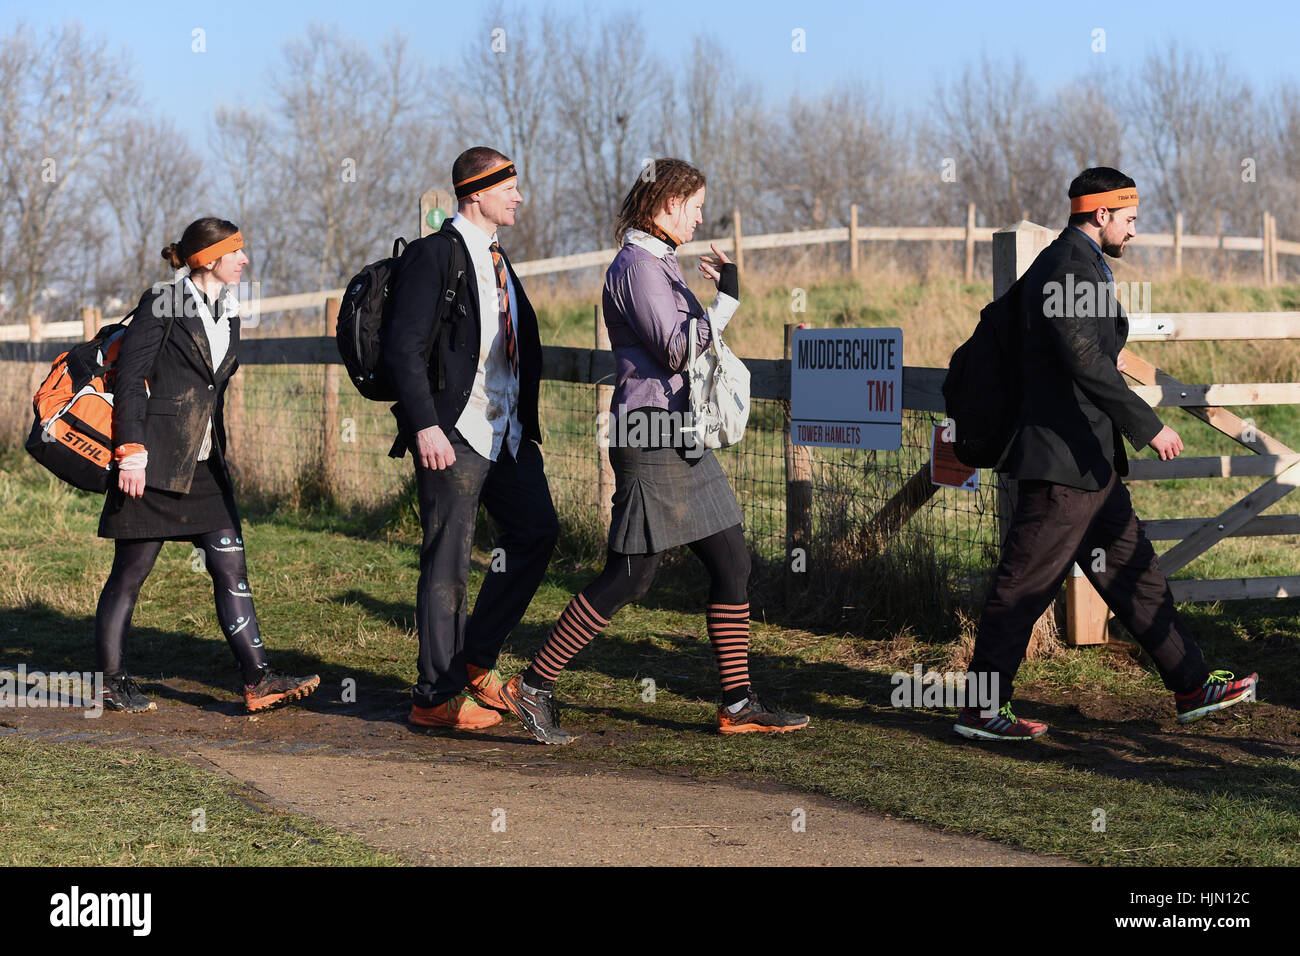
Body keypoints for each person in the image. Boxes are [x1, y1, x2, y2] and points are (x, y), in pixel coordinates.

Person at [498, 158, 809, 745]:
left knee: (732, 562)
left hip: (681, 431)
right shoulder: (637, 268)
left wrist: (718, 301)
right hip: (648, 433)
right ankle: (533, 684)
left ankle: (738, 704)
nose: (698, 218)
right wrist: (725, 305)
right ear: (666, 204)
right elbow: (673, 350)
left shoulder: (660, 264)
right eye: (693, 206)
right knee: (632, 575)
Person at [956, 167, 1258, 741]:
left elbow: (1080, 346)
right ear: (1102, 215)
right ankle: (980, 708)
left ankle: (1193, 685)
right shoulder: (1066, 264)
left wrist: (1109, 356)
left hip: (1089, 465)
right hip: (1061, 465)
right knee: (1023, 587)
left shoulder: (1077, 263)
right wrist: (1148, 425)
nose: (1135, 231)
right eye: (1131, 219)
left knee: (1135, 575)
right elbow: (1082, 361)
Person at [96, 218, 320, 713]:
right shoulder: (161, 302)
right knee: (132, 572)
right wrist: (130, 451)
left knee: (229, 563)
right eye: (236, 252)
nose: (244, 260)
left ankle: (258, 678)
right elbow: (131, 380)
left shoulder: (229, 312)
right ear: (209, 259)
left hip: (204, 465)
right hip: (151, 461)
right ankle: (112, 682)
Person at [382, 147, 558, 730]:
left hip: (505, 432)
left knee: (536, 530)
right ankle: (435, 696)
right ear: (477, 191)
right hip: (453, 432)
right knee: (448, 558)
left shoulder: (498, 259)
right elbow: (403, 350)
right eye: (510, 186)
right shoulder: (435, 256)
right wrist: (424, 423)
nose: (519, 196)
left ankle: (475, 661)